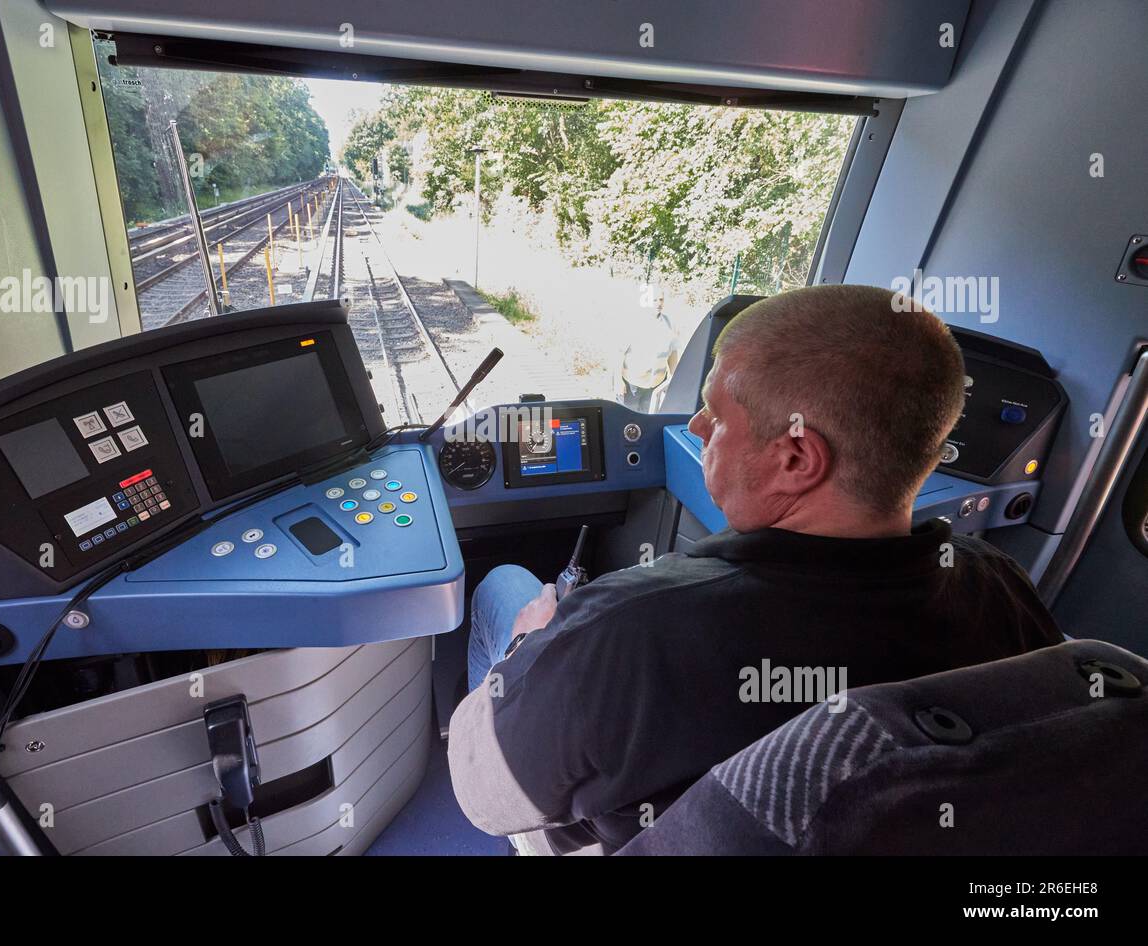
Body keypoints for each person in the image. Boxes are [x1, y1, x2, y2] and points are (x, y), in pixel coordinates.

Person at [447, 284, 1064, 855]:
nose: (694, 426)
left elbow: (481, 793)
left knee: (505, 589)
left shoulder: (629, 634)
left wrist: (531, 642)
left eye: (715, 414)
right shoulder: (998, 583)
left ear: (796, 457)